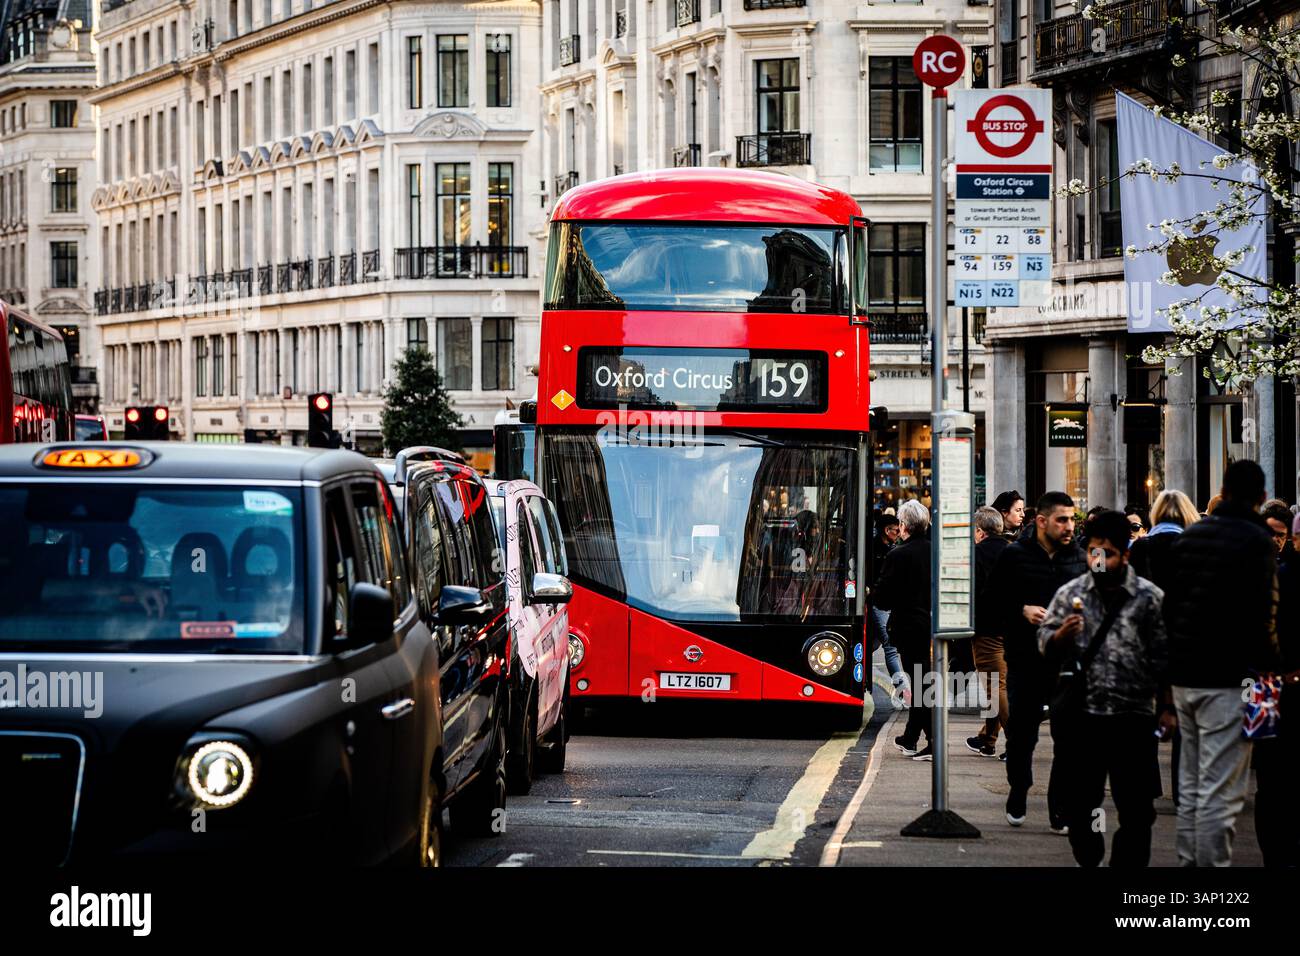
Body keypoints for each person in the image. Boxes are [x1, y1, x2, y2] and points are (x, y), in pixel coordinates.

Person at [1163, 459, 1279, 867]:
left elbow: (1171, 608)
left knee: (1193, 786)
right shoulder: (1257, 540)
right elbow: (1264, 615)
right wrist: (1273, 668)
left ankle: (1189, 863)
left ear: (1224, 491)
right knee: (1222, 791)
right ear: (1261, 498)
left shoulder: (1192, 537)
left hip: (1185, 676)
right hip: (1230, 678)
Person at [1039, 510, 1170, 867]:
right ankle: (1088, 852)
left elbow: (1164, 655)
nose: (1098, 560)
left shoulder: (1148, 597)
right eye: (1093, 551)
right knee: (1081, 804)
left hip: (1134, 717)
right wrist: (1058, 637)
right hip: (1085, 716)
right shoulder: (1072, 593)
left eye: (1107, 553)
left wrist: (1169, 708)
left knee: (1137, 811)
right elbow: (1044, 638)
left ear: (1125, 554)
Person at [986, 490, 1086, 830]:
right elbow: (989, 602)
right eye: (1062, 520)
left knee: (1069, 740)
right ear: (1041, 521)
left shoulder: (1081, 559)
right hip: (1025, 659)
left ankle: (1059, 807)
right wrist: (1021, 610)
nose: (1069, 526)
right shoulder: (1014, 556)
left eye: (1072, 519)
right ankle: (1019, 789)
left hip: (1068, 664)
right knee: (1023, 736)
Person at [1127, 488, 1200, 805]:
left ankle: (1146, 783)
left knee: (1146, 715)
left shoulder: (1141, 547)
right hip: (1185, 641)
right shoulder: (1196, 547)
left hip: (1145, 640)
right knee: (1184, 716)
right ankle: (1183, 789)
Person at [875, 499, 934, 760]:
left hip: (909, 625)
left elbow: (883, 598)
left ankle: (932, 740)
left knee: (921, 685)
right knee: (923, 682)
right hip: (931, 624)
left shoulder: (898, 555)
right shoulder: (936, 551)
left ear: (903, 525)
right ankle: (911, 737)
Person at [967, 506, 1010, 757]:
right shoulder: (1013, 550)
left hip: (987, 630)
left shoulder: (977, 554)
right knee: (999, 684)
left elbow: (971, 594)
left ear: (980, 531)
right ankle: (988, 738)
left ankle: (1016, 743)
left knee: (996, 687)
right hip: (1013, 628)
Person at [869, 513, 905, 698]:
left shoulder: (893, 547)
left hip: (890, 602)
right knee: (890, 646)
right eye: (896, 530)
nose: (898, 533)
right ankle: (902, 689)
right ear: (886, 530)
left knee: (873, 644)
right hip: (879, 603)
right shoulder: (874, 548)